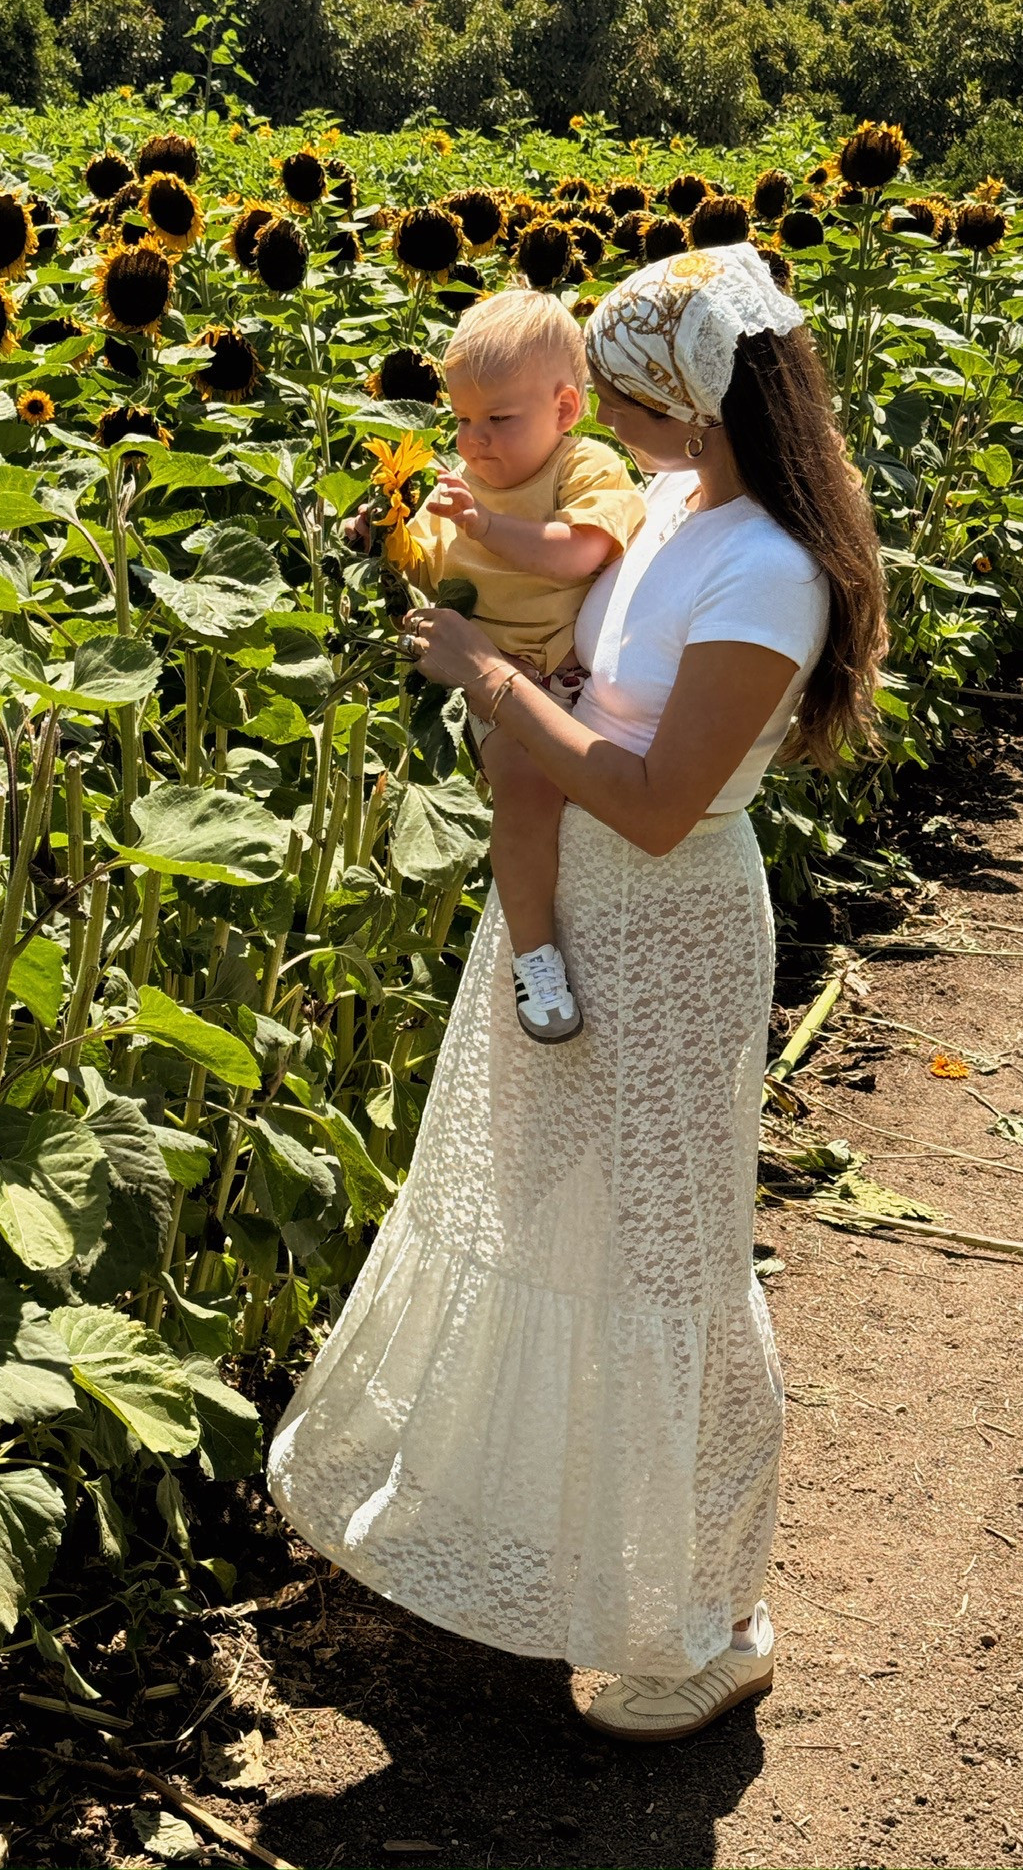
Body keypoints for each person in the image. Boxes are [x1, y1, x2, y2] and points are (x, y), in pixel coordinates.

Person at [270, 243, 887, 1742]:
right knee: (547, 1212)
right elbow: (579, 641)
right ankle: (560, 1551)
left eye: (621, 393)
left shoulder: (769, 570)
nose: (600, 416)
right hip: (570, 907)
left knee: (670, 1255)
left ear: (695, 398)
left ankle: (705, 1617)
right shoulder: (673, 502)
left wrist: (488, 682)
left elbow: (665, 803)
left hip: (670, 928)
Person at [357, 291, 643, 1042]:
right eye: (461, 420)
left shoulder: (587, 466)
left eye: (499, 419)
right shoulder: (461, 484)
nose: (474, 440)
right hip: (503, 680)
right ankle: (535, 956)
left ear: (566, 407)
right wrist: (383, 535)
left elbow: (579, 552)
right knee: (525, 794)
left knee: (624, 809)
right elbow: (426, 564)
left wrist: (485, 523)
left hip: (589, 674)